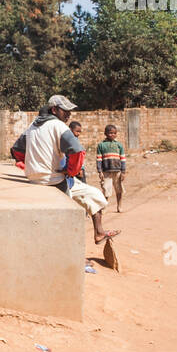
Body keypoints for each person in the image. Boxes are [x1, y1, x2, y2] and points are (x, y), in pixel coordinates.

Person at [11, 94, 119, 244]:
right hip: (55, 181)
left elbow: (16, 150)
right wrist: (71, 171)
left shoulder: (32, 126)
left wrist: (30, 166)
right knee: (71, 219)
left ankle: (99, 233)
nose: (69, 114)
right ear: (54, 110)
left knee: (93, 195)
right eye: (65, 110)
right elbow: (77, 151)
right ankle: (76, 257)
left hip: (35, 180)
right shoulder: (59, 126)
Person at [96, 124, 127, 212]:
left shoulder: (119, 145)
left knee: (119, 189)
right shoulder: (101, 145)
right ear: (105, 133)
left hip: (117, 171)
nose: (112, 135)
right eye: (110, 133)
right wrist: (100, 171)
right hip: (106, 171)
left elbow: (123, 159)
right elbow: (99, 159)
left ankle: (119, 206)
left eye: (114, 133)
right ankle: (104, 207)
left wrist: (123, 172)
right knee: (106, 189)